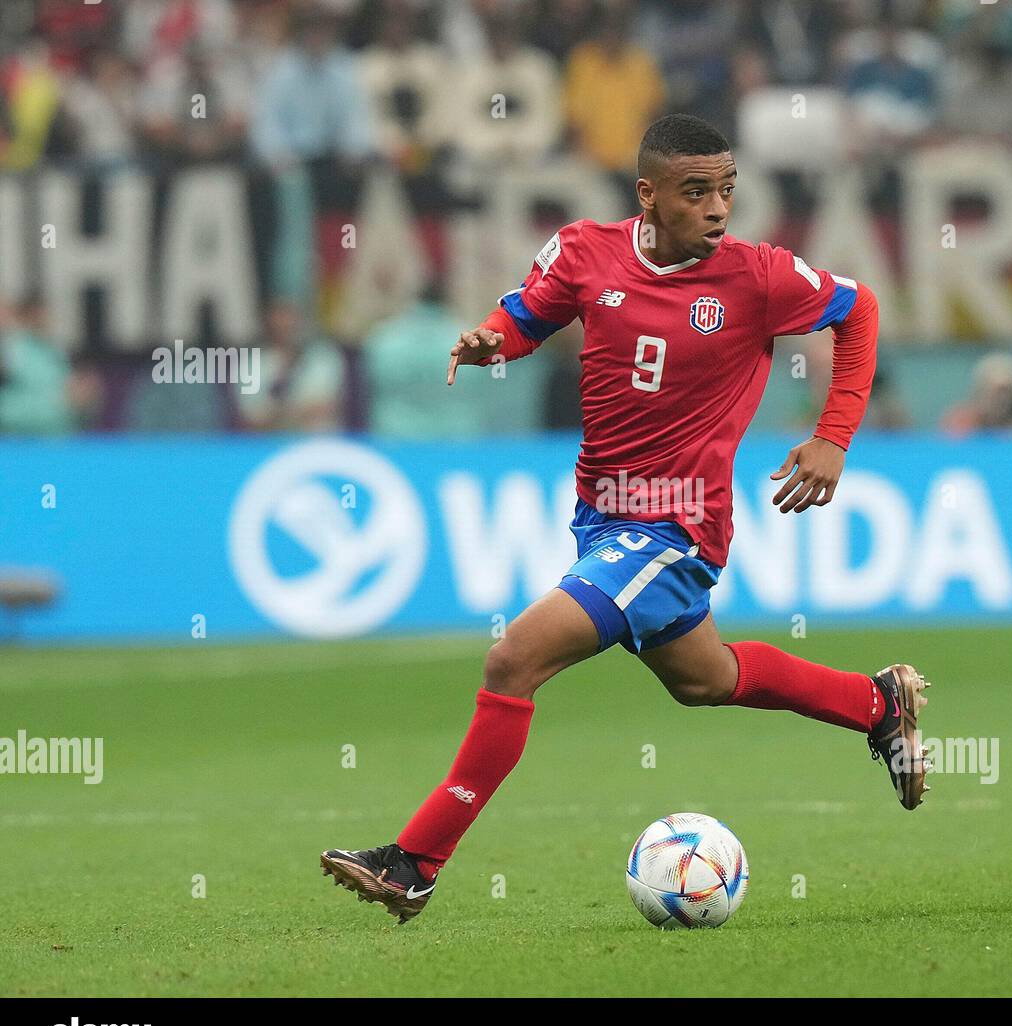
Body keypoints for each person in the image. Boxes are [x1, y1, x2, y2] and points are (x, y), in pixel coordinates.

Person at [320, 115, 933, 924]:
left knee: (514, 659)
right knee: (704, 679)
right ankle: (878, 703)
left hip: (674, 526)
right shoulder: (584, 251)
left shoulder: (758, 277)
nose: (717, 209)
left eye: (726, 191)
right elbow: (530, 314)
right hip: (602, 516)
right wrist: (488, 341)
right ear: (648, 195)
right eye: (696, 192)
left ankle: (416, 860)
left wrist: (833, 437)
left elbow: (860, 312)